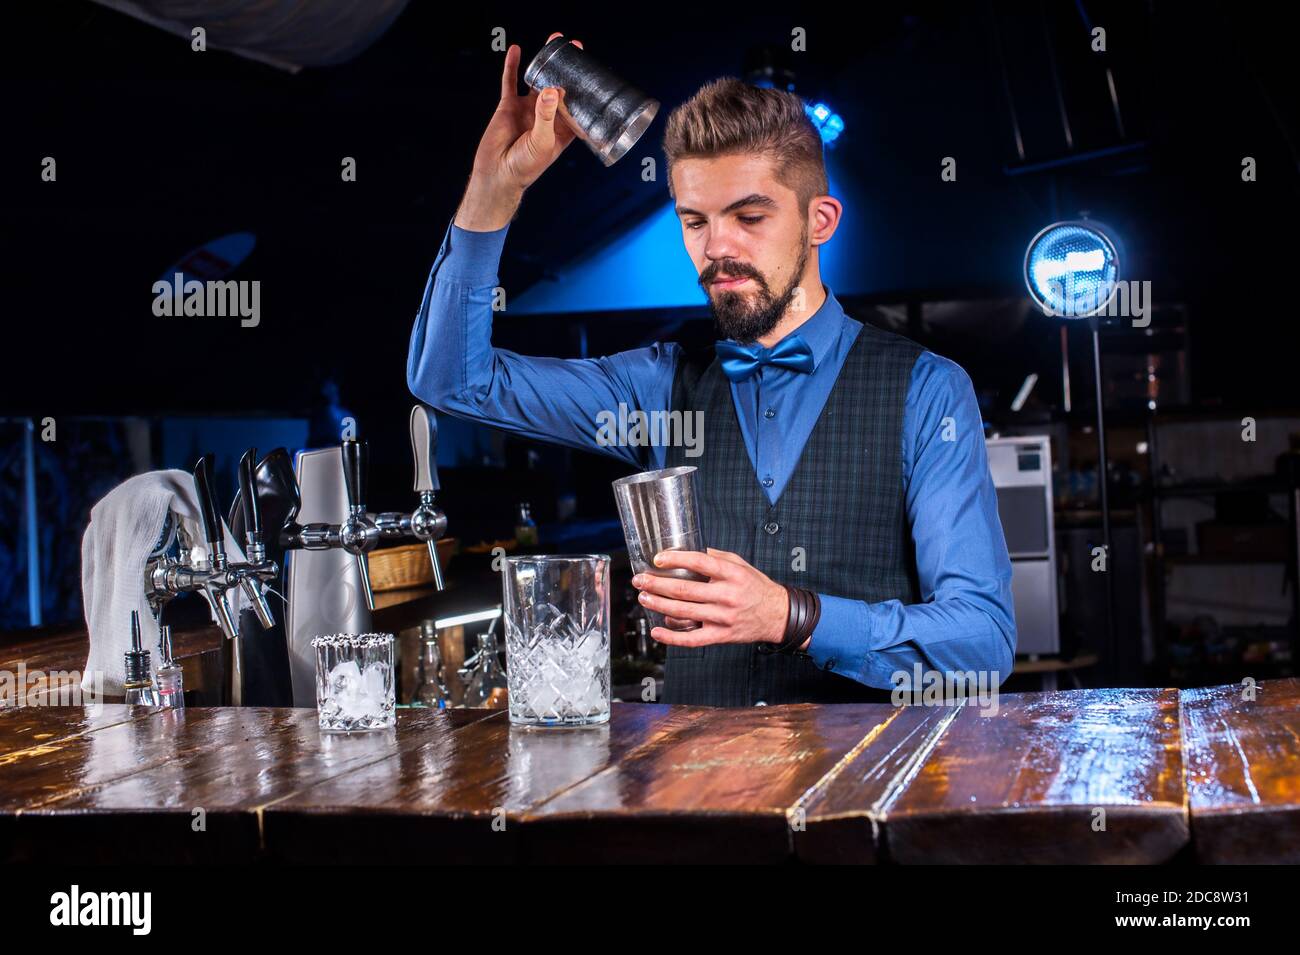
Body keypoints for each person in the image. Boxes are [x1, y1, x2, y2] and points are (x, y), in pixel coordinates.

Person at [407, 35, 1016, 706]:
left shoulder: (927, 391)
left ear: (820, 220)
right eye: (694, 221)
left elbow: (981, 645)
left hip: (860, 798)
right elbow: (451, 380)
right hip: (700, 800)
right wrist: (495, 192)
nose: (717, 247)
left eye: (749, 216)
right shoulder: (655, 388)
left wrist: (793, 615)